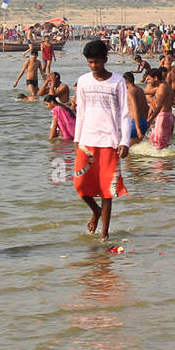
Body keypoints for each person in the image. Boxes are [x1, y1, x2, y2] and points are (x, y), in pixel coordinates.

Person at [73, 39, 131, 237]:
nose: (93, 66)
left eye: (97, 62)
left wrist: (125, 141)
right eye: (90, 62)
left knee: (107, 190)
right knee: (80, 185)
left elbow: (125, 113)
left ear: (105, 60)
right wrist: (76, 140)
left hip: (110, 141)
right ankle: (95, 211)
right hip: (87, 140)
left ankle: (104, 234)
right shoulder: (83, 81)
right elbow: (80, 112)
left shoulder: (118, 81)